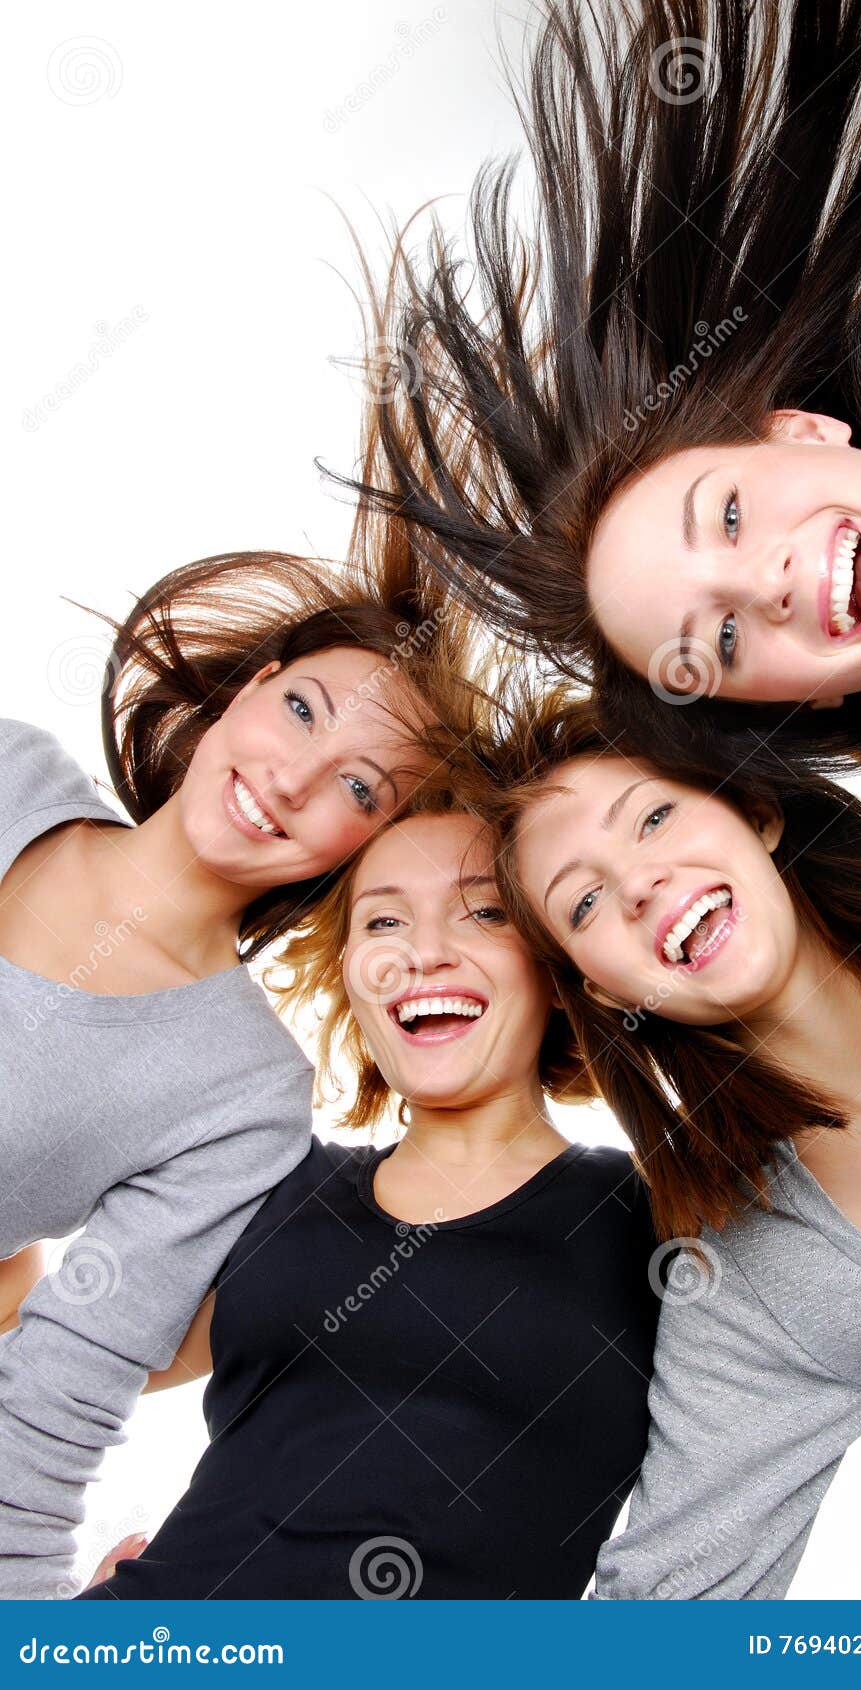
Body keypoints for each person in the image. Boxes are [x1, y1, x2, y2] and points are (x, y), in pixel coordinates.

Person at [339, 0, 861, 788]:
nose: (765, 583)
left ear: (801, 430)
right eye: (721, 642)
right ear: (812, 700)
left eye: (727, 515)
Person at [472, 684, 861, 1597]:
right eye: (584, 902)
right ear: (601, 991)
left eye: (656, 817)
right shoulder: (757, 1292)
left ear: (754, 812)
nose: (637, 885)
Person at [0, 547, 463, 1598]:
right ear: (251, 687)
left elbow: (61, 1388)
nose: (293, 779)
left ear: (364, 848)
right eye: (303, 709)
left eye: (358, 785)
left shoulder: (242, 1092)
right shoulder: (9, 768)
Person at [77, 797, 659, 1599]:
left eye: (483, 911)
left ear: (557, 970)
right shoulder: (273, 1184)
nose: (422, 952)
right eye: (383, 922)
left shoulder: (657, 1218)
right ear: (350, 975)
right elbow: (73, 1355)